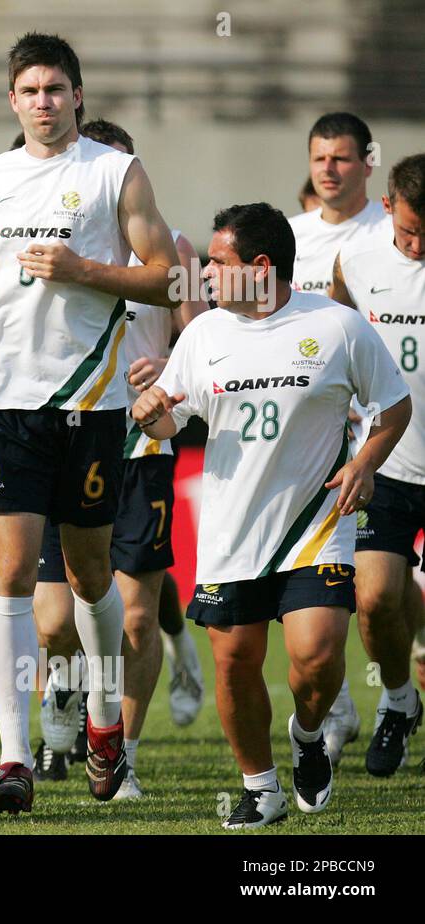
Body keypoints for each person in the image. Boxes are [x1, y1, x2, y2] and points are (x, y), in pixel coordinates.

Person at [0, 32, 180, 813]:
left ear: (77, 96)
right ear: (12, 100)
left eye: (55, 89)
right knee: (8, 579)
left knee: (89, 575)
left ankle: (104, 719)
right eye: (29, 89)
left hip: (93, 402)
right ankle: (14, 759)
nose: (42, 101)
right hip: (5, 398)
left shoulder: (115, 171)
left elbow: (166, 279)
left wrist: (83, 271)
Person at [136, 201, 409, 828]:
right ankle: (261, 788)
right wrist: (153, 413)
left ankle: (307, 735)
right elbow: (174, 417)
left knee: (315, 655)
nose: (204, 273)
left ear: (260, 267)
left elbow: (393, 407)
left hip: (318, 525)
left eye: (217, 263)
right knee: (235, 663)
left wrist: (366, 463)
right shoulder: (203, 334)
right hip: (232, 533)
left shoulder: (338, 326)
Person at [28, 119, 207, 797]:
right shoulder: (48, 246)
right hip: (65, 438)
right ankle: (66, 697)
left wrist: (170, 363)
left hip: (142, 450)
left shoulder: (174, 249)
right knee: (54, 621)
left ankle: (121, 753)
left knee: (135, 613)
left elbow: (199, 337)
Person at [287, 111, 394, 760]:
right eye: (320, 158)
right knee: (321, 581)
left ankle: (391, 695)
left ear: (368, 163)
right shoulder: (289, 236)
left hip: (383, 434)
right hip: (305, 445)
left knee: (381, 589)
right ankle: (343, 706)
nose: (329, 169)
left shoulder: (394, 235)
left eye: (343, 158)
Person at [329, 153, 425, 776]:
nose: (419, 245)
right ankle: (398, 701)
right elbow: (333, 335)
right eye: (412, 231)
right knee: (375, 599)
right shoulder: (357, 265)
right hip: (384, 464)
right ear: (388, 207)